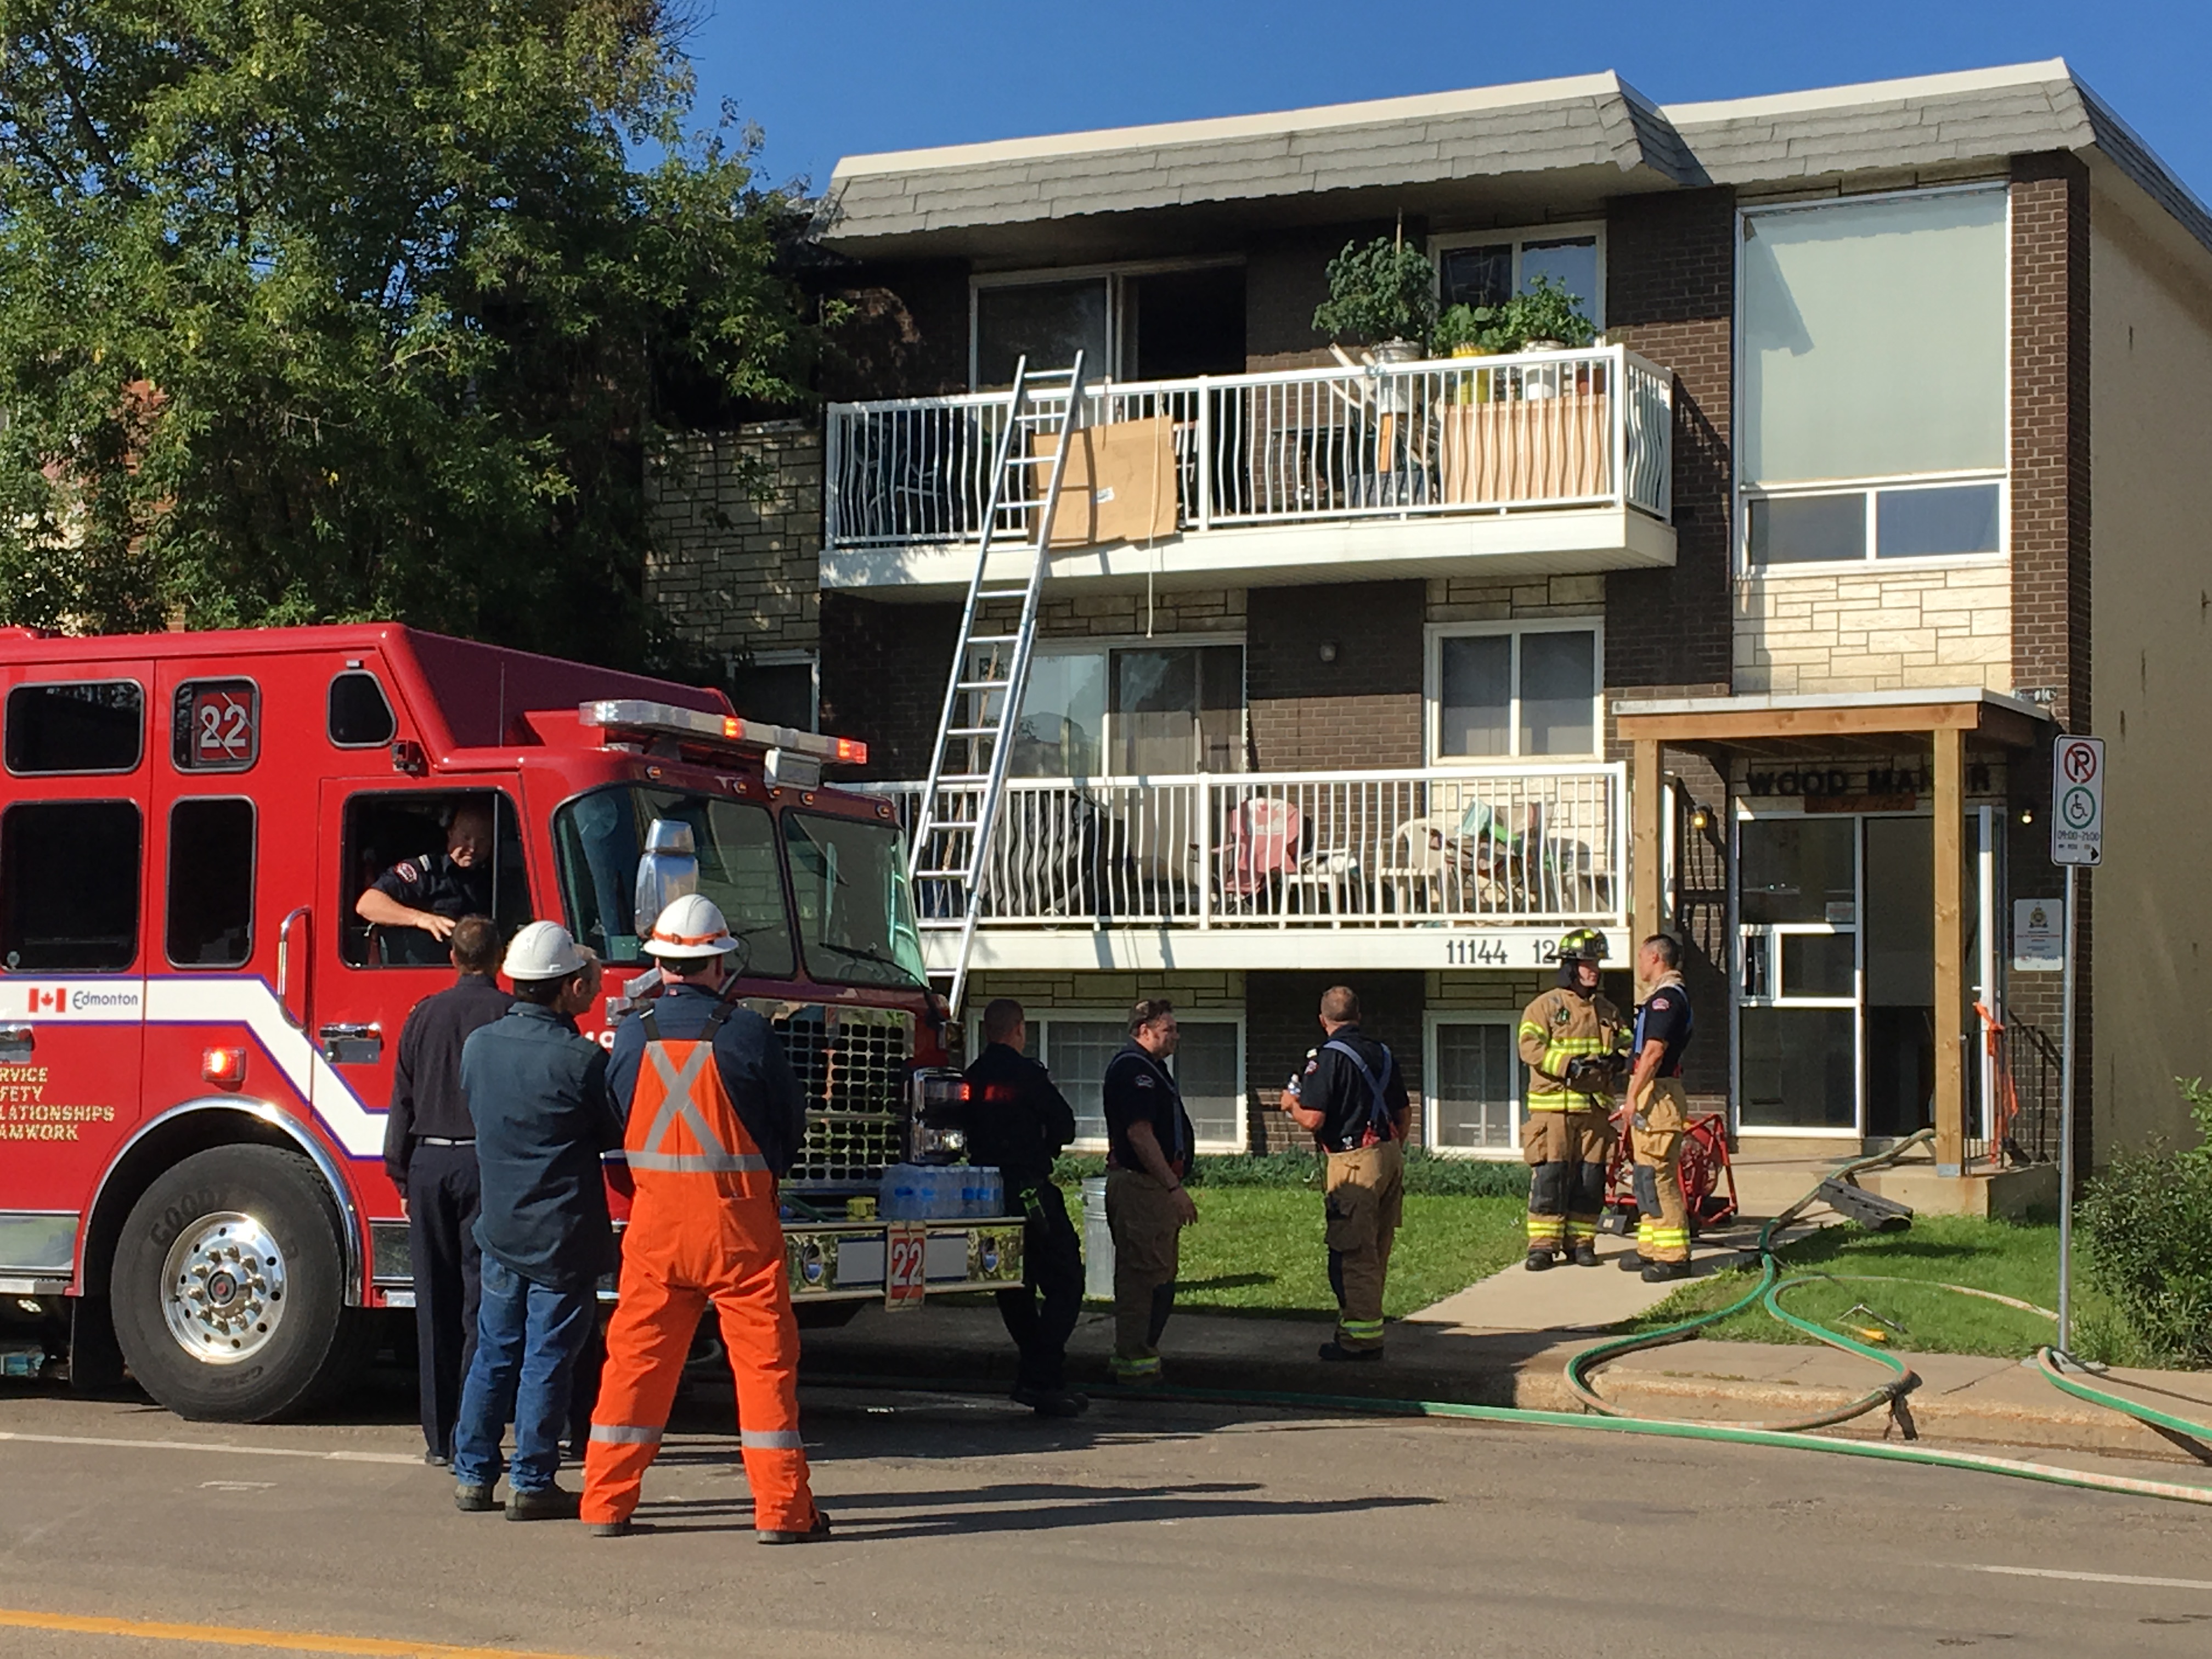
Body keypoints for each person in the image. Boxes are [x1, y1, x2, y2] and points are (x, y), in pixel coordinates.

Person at [580, 894, 827, 1544]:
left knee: (635, 1364)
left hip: (657, 1228)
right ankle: (782, 1512)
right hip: (739, 1228)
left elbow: (615, 1114)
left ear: (660, 964)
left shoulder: (631, 1034)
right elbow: (788, 1130)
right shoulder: (749, 1033)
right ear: (720, 964)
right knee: (765, 1369)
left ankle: (606, 1503)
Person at [451, 923, 620, 1521]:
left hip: (500, 1229)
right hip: (561, 1237)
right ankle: (532, 1480)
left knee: (494, 1352)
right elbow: (613, 1135)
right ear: (564, 987)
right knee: (547, 1356)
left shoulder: (480, 1046)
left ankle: (472, 1474)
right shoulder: (582, 1061)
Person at [383, 915, 509, 1467]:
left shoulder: (422, 1016)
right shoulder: (509, 1014)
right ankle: (478, 1429)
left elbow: (402, 1100)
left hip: (430, 1162)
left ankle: (439, 1437)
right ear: (499, 960)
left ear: (453, 958)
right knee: (483, 1304)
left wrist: (400, 1173)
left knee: (434, 1304)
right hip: (487, 1163)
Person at [964, 997, 1086, 1417]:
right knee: (1066, 1283)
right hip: (1031, 1193)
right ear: (1019, 1029)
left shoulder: (972, 1078)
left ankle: (1043, 1379)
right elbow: (1065, 1126)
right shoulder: (1029, 1076)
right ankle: (1040, 1377)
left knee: (1014, 1286)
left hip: (984, 1196)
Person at [1280, 985, 1409, 1362]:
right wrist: (1392, 1150)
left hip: (1354, 1160)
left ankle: (1360, 1340)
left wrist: (1291, 1105)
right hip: (1390, 1153)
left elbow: (1315, 1118)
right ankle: (1364, 1323)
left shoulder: (1327, 1059)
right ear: (1359, 1016)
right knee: (1378, 1246)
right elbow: (1403, 1113)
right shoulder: (1383, 1053)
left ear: (1323, 1021)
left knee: (1353, 1251)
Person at [1516, 929, 1627, 1271]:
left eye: (1596, 962)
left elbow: (1625, 1044)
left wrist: (1618, 1060)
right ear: (1570, 967)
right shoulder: (1545, 1007)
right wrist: (1568, 1065)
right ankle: (1543, 1247)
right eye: (1586, 962)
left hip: (1594, 1112)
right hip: (1553, 1110)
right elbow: (1529, 1047)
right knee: (1551, 1178)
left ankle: (1582, 1243)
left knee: (1590, 1181)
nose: (1593, 969)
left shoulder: (1608, 1010)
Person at [1102, 998, 1196, 1386]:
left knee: (1159, 1273)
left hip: (1153, 1186)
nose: (1176, 1036)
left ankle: (1143, 1358)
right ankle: (1134, 1366)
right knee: (1142, 1278)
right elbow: (1139, 1134)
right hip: (1142, 1186)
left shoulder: (1153, 1070)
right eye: (1167, 1030)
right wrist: (1173, 1187)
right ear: (1144, 1031)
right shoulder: (1134, 1071)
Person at [1621, 934, 1696, 1284]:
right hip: (1653, 1093)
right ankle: (1651, 1249)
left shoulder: (1667, 1000)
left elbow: (1653, 1053)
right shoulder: (1658, 999)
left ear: (1655, 958)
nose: (1638, 964)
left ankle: (1674, 1257)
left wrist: (1633, 1095)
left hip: (1659, 1095)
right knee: (1645, 1175)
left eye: (1641, 957)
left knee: (1660, 1177)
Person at [356, 799, 496, 945]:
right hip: (430, 964)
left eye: (482, 840)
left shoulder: (494, 878)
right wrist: (420, 919)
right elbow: (367, 905)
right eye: (466, 838)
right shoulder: (426, 872)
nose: (473, 848)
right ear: (451, 833)